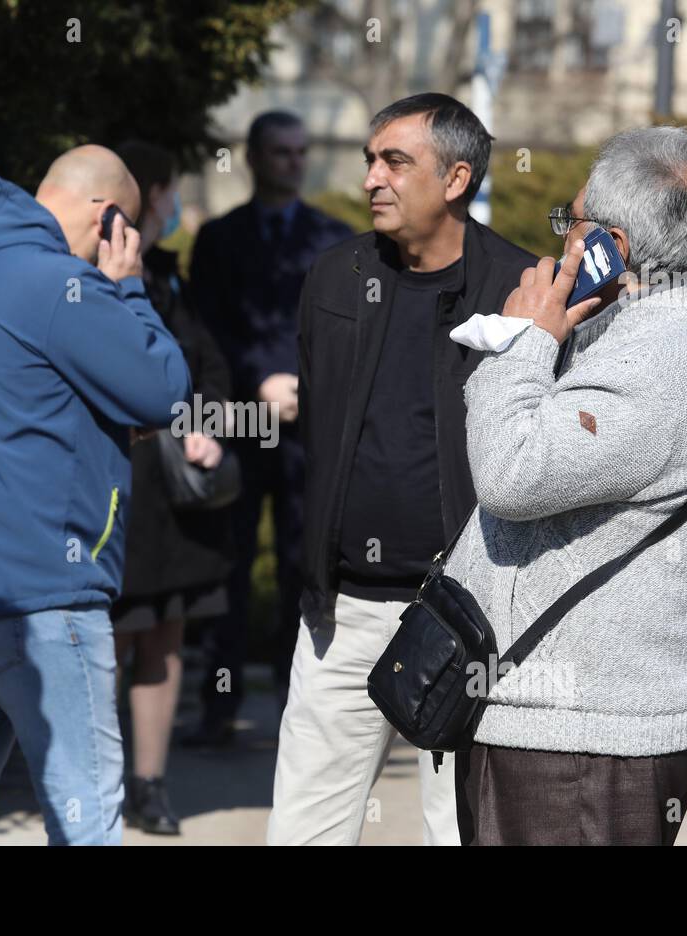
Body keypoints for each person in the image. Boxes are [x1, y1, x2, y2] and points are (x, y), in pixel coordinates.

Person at [448, 126, 687, 845]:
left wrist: (527, 340)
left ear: (611, 242)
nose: (559, 239)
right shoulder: (641, 337)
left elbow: (510, 474)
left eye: (571, 221)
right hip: (574, 731)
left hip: (580, 743)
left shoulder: (658, 365)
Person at [0, 146, 192, 846]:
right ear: (110, 218)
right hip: (47, 597)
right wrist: (128, 288)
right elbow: (164, 391)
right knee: (85, 807)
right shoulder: (61, 285)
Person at [268, 93, 536, 846]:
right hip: (341, 612)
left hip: (472, 620)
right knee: (302, 833)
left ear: (455, 178)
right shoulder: (335, 278)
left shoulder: (521, 289)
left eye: (394, 161)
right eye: (369, 160)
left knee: (458, 834)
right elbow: (319, 427)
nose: (371, 180)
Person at [187, 110, 353, 745]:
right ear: (253, 158)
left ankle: (295, 709)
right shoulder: (220, 239)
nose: (293, 161)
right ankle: (218, 710)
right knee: (227, 561)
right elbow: (212, 327)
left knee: (301, 562)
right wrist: (261, 381)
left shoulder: (333, 238)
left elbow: (340, 330)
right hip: (238, 417)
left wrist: (302, 387)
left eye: (300, 150)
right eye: (280, 151)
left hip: (307, 426)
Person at [109, 140, 236, 835]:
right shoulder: (88, 276)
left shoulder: (169, 276)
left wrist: (207, 422)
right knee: (112, 642)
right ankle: (96, 779)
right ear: (148, 194)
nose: (176, 204)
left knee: (165, 637)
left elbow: (210, 366)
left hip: (174, 499)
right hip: (118, 495)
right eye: (169, 191)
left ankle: (148, 785)